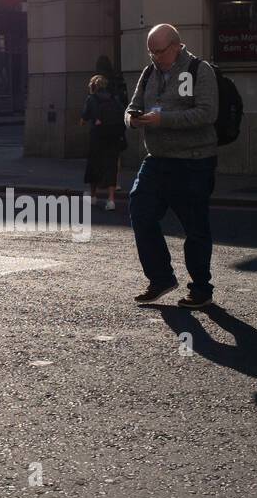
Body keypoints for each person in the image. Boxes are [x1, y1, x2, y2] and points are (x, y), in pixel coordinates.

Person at [124, 23, 219, 309]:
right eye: (150, 51)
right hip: (157, 160)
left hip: (193, 161)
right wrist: (133, 118)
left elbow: (206, 113)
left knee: (195, 227)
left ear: (177, 45)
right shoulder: (150, 71)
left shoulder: (198, 71)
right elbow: (132, 105)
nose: (154, 57)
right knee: (140, 211)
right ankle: (161, 278)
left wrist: (162, 120)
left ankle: (201, 289)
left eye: (160, 51)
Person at [81, 74, 127, 209]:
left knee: (94, 165)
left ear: (93, 86)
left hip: (97, 137)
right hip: (113, 137)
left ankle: (94, 196)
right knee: (111, 166)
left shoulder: (91, 99)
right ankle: (111, 200)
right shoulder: (114, 99)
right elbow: (122, 116)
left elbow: (83, 120)